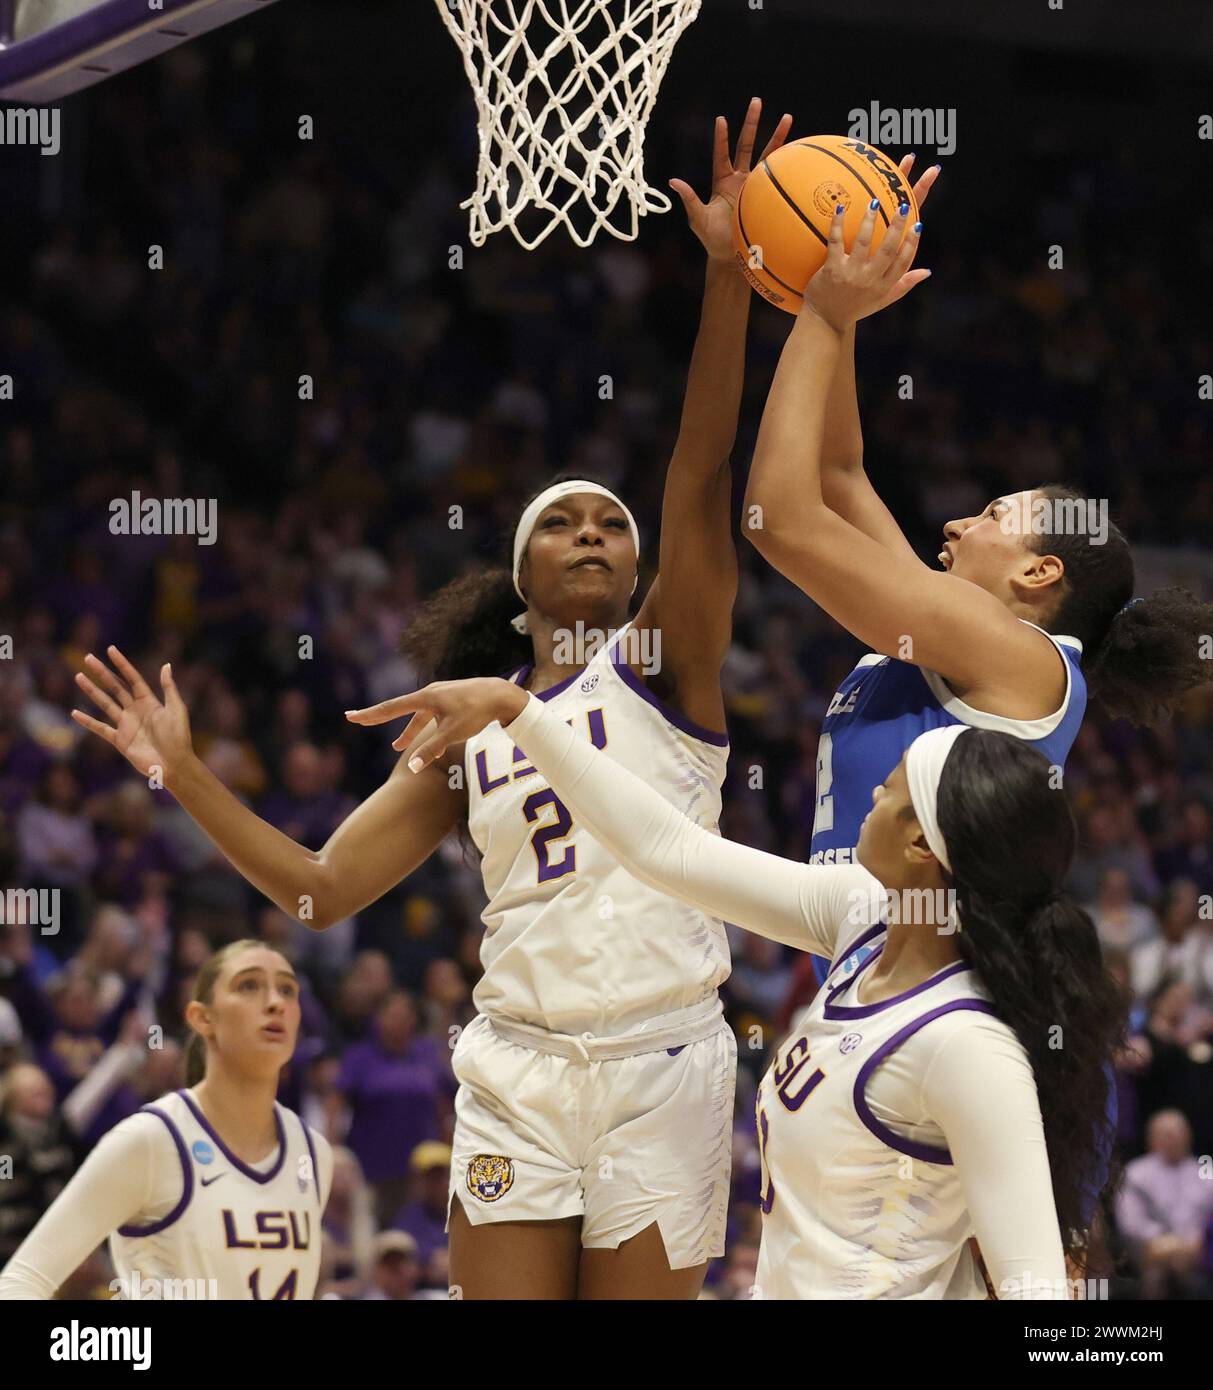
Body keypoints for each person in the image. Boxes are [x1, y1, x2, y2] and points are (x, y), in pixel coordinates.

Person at [71, 102, 793, 1300]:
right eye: (559, 522)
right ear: (517, 581)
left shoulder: (667, 662)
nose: (592, 533)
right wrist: (182, 770)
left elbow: (700, 471)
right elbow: (318, 889)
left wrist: (726, 282)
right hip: (517, 1061)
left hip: (665, 1060)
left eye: (608, 522)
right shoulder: (473, 716)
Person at [383, 675, 1125, 1299]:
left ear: (920, 844)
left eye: (891, 788)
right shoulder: (861, 922)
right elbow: (668, 849)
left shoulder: (964, 1045)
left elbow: (1034, 1289)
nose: (870, 794)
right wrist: (518, 711)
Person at [741, 184, 1213, 987]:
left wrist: (819, 314)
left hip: (941, 1002)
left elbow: (775, 519)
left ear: (1038, 572)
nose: (957, 526)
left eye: (993, 515)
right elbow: (838, 470)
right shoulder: (952, 637)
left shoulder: (1025, 659)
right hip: (869, 982)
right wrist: (843, 297)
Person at [0, 941, 333, 1300]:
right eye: (249, 985)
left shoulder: (313, 1152)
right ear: (202, 1017)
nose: (275, 1002)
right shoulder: (152, 1138)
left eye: (287, 989)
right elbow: (21, 1281)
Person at [1115, 1110, 1213, 1299]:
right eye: (1167, 1134)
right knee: (1157, 1268)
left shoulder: (1206, 1172)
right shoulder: (1136, 1172)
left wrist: (1195, 1243)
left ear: (1189, 1136)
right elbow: (1130, 1223)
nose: (1174, 1139)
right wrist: (1167, 1244)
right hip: (1150, 1248)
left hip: (1197, 1248)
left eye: (1179, 1133)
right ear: (1152, 1139)